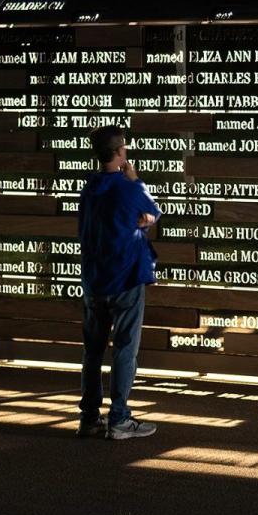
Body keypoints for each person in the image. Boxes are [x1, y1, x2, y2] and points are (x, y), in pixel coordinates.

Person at [76, 124, 160, 440]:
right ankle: (120, 419)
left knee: (93, 352)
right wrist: (135, 179)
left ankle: (89, 418)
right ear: (121, 152)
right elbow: (152, 213)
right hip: (125, 278)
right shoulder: (127, 187)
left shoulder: (88, 189)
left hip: (94, 281)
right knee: (125, 349)